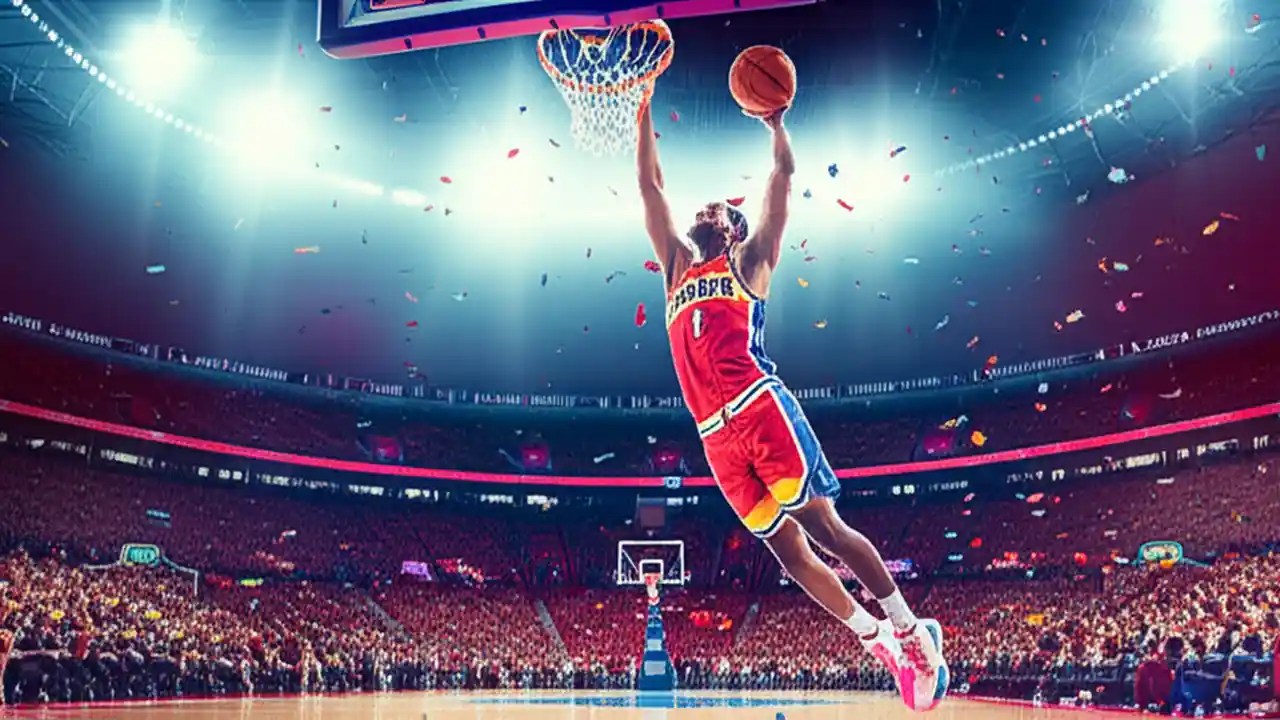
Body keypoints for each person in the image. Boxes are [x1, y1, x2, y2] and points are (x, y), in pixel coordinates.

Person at [635, 87, 947, 712]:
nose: (706, 209)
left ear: (732, 229)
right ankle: (877, 641)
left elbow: (782, 176)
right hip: (713, 438)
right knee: (788, 552)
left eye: (720, 208)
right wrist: (641, 109)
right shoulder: (673, 269)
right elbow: (651, 184)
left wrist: (776, 125)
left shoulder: (749, 263)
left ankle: (911, 630)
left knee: (823, 526)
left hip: (759, 407)